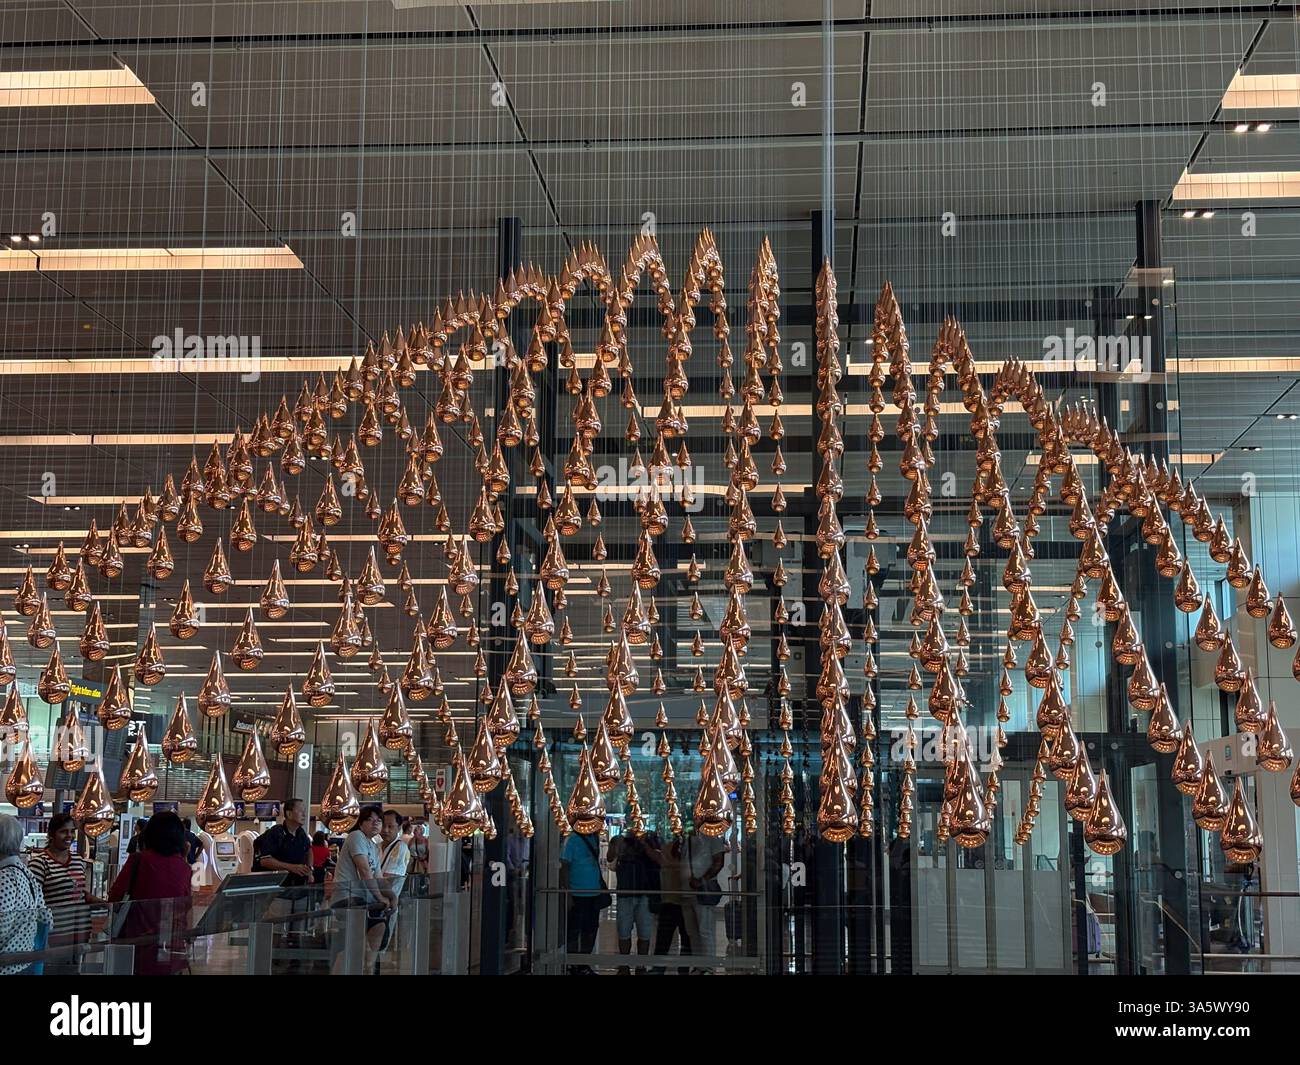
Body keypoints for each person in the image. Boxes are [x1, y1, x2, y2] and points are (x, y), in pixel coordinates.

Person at [107, 811, 193, 975]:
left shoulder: (138, 860)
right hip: (171, 949)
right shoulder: (184, 868)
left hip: (137, 946)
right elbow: (186, 905)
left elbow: (115, 898)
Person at [28, 812, 104, 973]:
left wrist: (104, 903)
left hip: (77, 937)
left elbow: (81, 894)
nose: (69, 835)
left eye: (72, 831)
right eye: (63, 831)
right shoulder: (39, 863)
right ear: (51, 834)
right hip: (51, 939)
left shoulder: (78, 861)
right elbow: (32, 904)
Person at [329, 805, 396, 973]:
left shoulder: (373, 846)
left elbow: (379, 877)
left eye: (378, 821)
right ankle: (359, 967)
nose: (375, 824)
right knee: (354, 942)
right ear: (360, 823)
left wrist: (392, 896)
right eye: (369, 820)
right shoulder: (355, 836)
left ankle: (368, 967)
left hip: (362, 901)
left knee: (378, 927)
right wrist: (381, 897)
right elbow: (365, 871)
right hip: (347, 898)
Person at [0, 813, 53, 976]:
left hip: (6, 967)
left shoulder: (4, 877)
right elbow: (47, 919)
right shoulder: (24, 872)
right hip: (24, 962)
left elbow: (1, 927)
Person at [607, 830, 658, 973]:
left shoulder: (647, 841)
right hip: (627, 894)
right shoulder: (619, 841)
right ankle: (625, 964)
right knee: (624, 931)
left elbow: (657, 858)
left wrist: (644, 844)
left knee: (644, 932)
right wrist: (617, 846)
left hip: (642, 894)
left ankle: (639, 965)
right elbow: (610, 858)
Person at [559, 829, 606, 975]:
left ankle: (583, 964)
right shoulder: (572, 840)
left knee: (590, 930)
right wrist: (568, 894)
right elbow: (564, 867)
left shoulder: (594, 839)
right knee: (574, 930)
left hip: (594, 893)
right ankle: (573, 964)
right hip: (578, 894)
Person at [683, 827, 726, 973]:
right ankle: (699, 965)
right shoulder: (688, 839)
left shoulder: (712, 838)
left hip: (701, 889)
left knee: (704, 930)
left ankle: (708, 966)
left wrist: (702, 880)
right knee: (693, 932)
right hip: (687, 890)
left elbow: (719, 862)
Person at [647, 835, 691, 975]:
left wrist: (643, 843)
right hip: (682, 902)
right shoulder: (688, 851)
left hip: (671, 901)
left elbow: (656, 857)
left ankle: (659, 968)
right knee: (685, 939)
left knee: (664, 939)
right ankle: (682, 969)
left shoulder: (668, 850)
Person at [372, 810, 411, 966]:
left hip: (387, 904)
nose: (386, 830)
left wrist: (370, 883)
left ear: (399, 827)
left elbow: (388, 879)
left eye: (391, 826)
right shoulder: (376, 846)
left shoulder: (400, 848)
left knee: (379, 946)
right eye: (383, 826)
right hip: (374, 900)